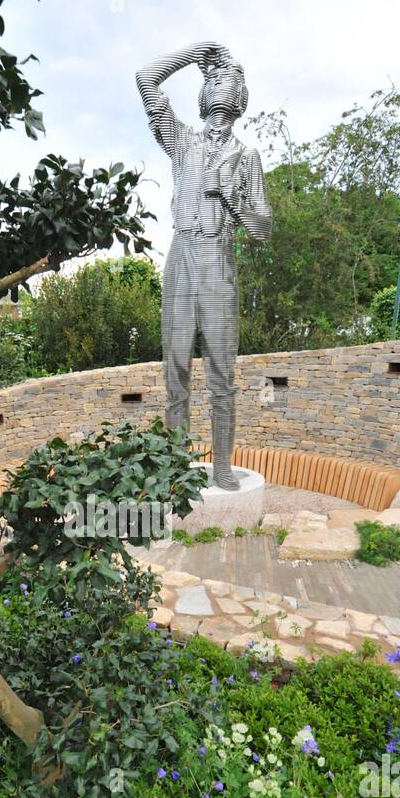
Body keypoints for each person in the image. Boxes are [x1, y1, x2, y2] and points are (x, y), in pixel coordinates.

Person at [136, 42, 272, 489]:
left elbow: (261, 230)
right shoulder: (182, 142)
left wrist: (230, 198)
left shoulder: (246, 156)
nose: (219, 85)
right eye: (212, 78)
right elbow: (146, 78)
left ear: (240, 96)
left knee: (221, 373)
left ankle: (221, 466)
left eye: (227, 79)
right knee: (175, 367)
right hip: (180, 255)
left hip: (218, 259)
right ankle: (176, 466)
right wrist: (195, 52)